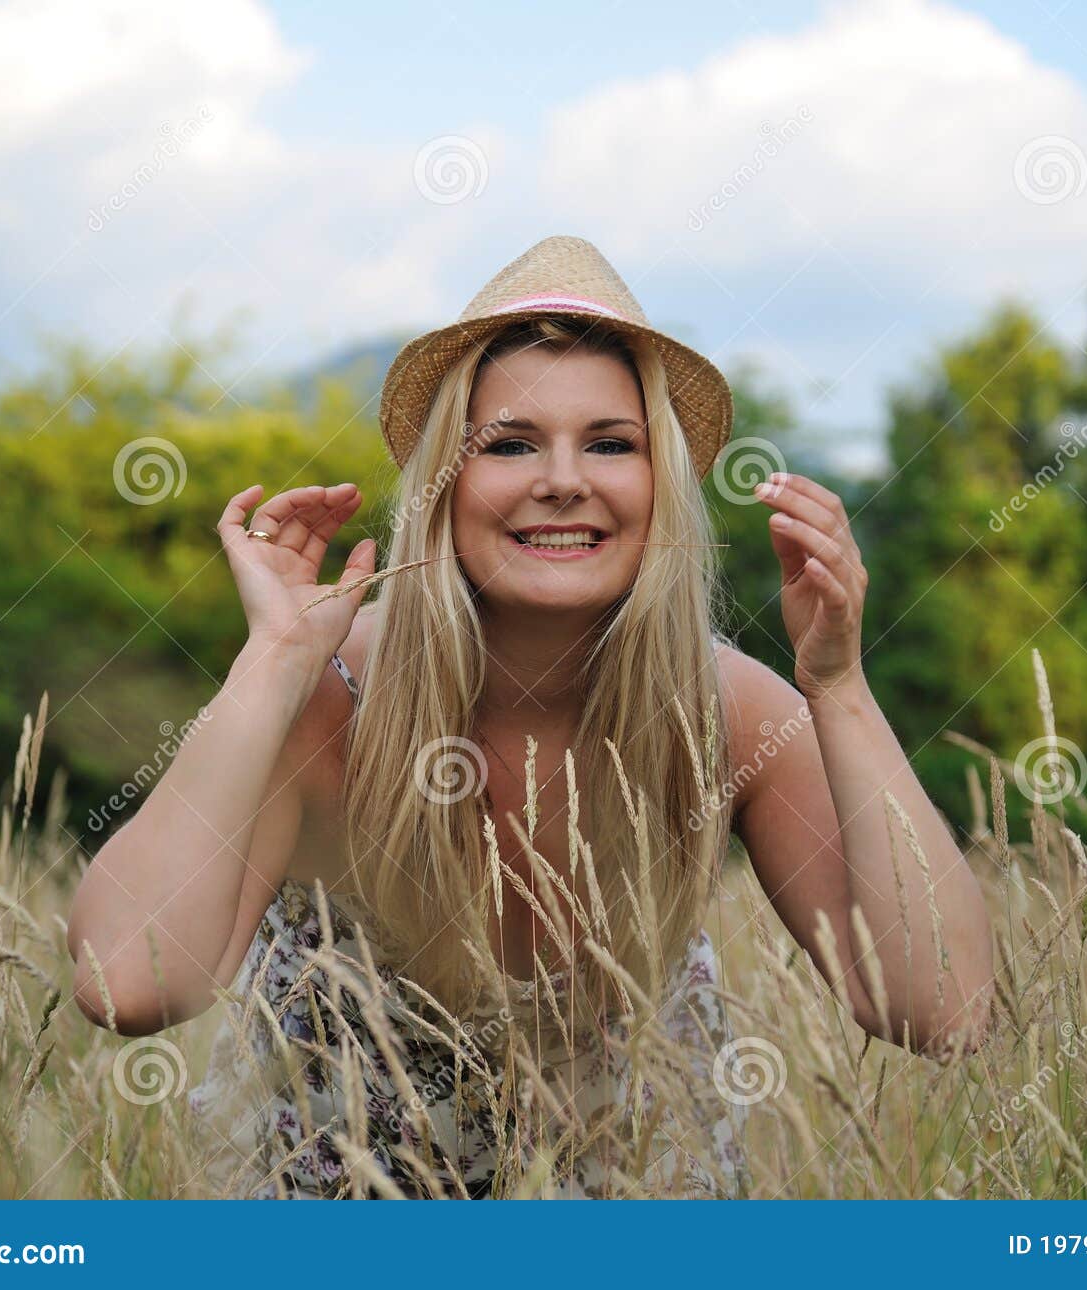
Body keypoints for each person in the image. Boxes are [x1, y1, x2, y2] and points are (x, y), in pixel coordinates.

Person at [67, 235, 994, 1198]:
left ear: (659, 485)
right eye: (509, 444)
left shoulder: (724, 711)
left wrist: (837, 684)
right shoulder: (329, 695)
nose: (563, 479)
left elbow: (947, 1013)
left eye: (610, 443)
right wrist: (273, 662)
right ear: (444, 487)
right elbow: (126, 981)